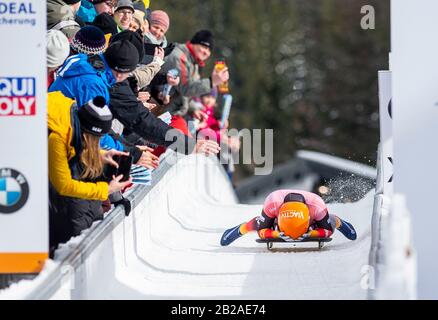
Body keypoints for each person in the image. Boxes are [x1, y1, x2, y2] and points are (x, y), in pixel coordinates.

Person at [48, 91, 132, 252]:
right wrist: (106, 190)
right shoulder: (57, 138)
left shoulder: (76, 122)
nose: (98, 143)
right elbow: (63, 185)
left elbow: (77, 148)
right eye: (97, 138)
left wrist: (102, 155)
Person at [220, 190, 357, 246]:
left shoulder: (317, 206)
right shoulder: (272, 203)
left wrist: (312, 232)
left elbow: (327, 231)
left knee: (331, 222)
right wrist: (275, 232)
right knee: (257, 224)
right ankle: (241, 228)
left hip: (312, 214)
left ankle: (338, 220)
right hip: (276, 205)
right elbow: (262, 231)